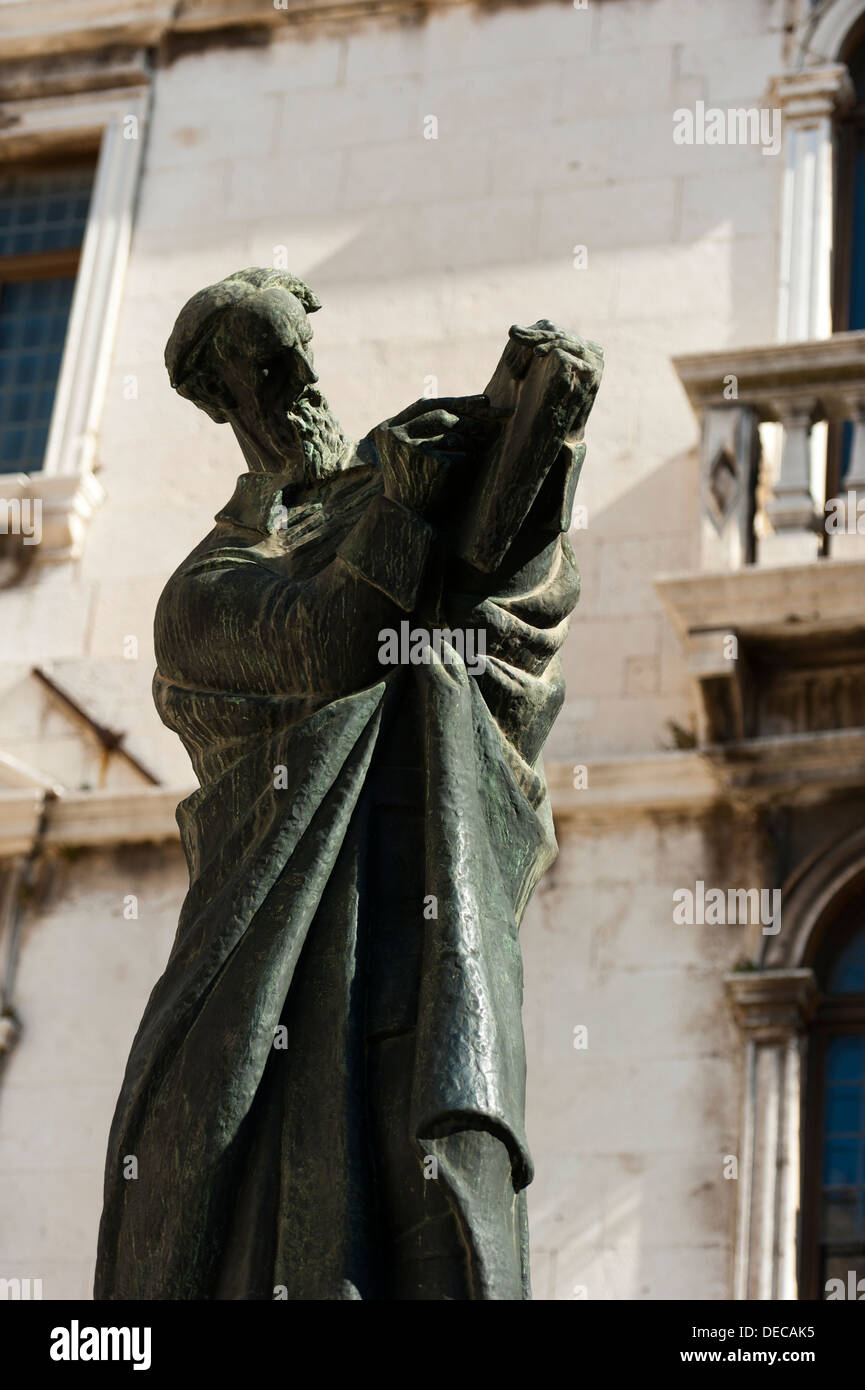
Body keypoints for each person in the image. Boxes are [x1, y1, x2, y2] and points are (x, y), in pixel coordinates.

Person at [94, 268, 602, 1300]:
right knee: (290, 1217)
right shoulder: (204, 586)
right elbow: (326, 644)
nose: (307, 385)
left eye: (305, 353)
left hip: (424, 907)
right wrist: (405, 511)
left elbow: (500, 610)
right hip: (273, 960)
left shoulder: (384, 479)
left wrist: (541, 446)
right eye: (273, 371)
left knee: (440, 1208)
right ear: (221, 400)